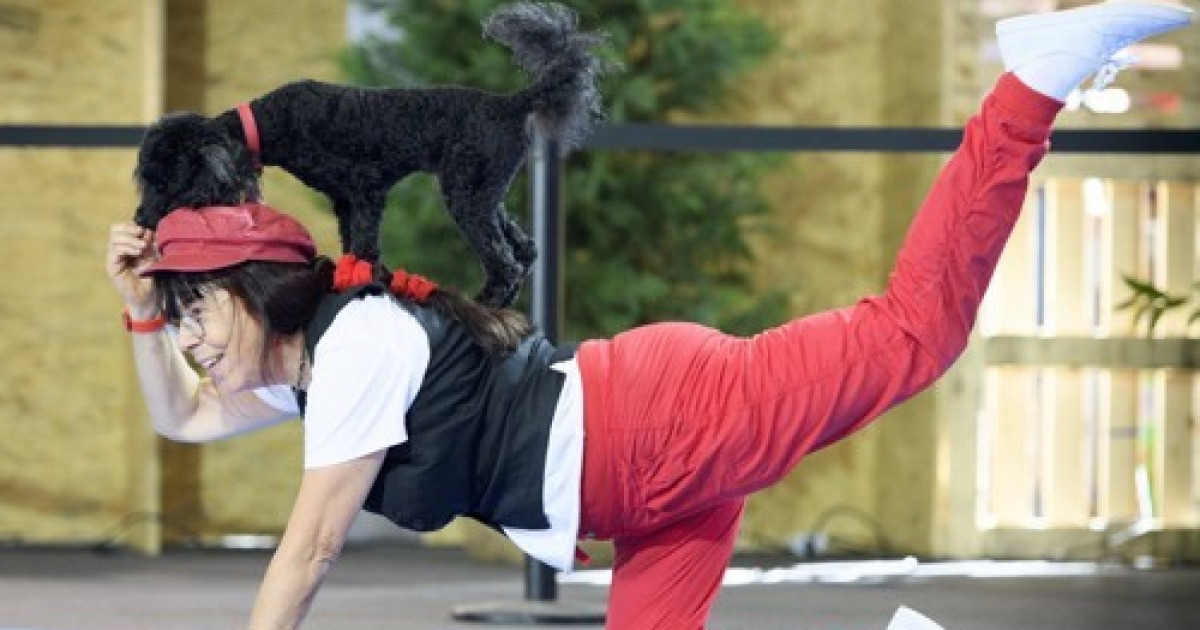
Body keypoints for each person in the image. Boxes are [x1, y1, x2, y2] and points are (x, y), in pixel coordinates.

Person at [105, 3, 1192, 629]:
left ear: (254, 294)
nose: (192, 344)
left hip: (664, 425)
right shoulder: (313, 370)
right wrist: (140, 315)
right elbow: (180, 419)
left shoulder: (357, 349)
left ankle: (1028, 86)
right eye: (179, 324)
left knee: (917, 333)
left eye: (195, 314)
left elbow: (308, 552)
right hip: (646, 493)